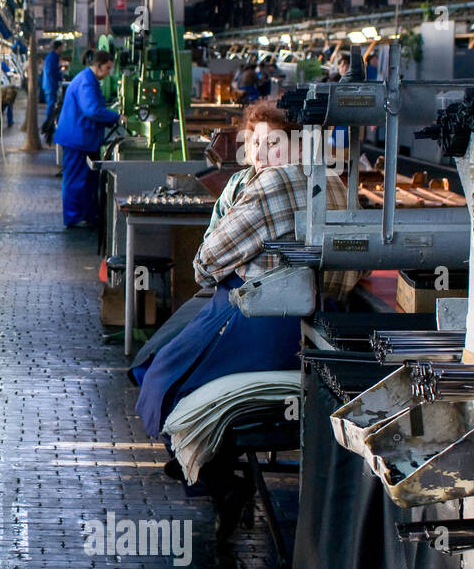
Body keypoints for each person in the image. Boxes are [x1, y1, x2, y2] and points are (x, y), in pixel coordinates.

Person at [133, 99, 360, 532]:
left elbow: (207, 260)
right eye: (253, 142)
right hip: (311, 329)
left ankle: (218, 479)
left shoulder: (273, 185)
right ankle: (215, 469)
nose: (260, 153)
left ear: (296, 144)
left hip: (259, 323)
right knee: (164, 362)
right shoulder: (333, 181)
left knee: (161, 378)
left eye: (273, 143)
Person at [53, 49, 120, 228]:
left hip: (83, 139)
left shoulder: (89, 80)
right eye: (107, 68)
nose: (108, 73)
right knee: (76, 180)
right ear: (98, 66)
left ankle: (87, 215)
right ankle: (74, 218)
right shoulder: (86, 82)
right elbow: (91, 110)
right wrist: (116, 117)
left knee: (88, 181)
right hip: (77, 140)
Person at [40, 40, 65, 143]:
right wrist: (60, 75)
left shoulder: (52, 56)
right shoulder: (52, 57)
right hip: (50, 85)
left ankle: (48, 127)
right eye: (61, 47)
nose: (62, 49)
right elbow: (51, 71)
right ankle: (47, 128)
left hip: (50, 85)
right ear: (58, 47)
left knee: (51, 105)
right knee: (50, 106)